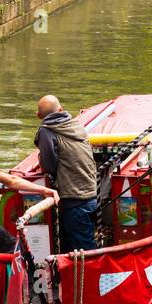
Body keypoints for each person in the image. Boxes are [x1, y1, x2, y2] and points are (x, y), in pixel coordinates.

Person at [34, 96, 99, 251]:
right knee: (80, 244)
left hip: (73, 199)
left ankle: (93, 275)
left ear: (38, 116)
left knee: (84, 250)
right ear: (61, 109)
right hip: (91, 194)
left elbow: (48, 165)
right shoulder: (77, 125)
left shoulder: (46, 131)